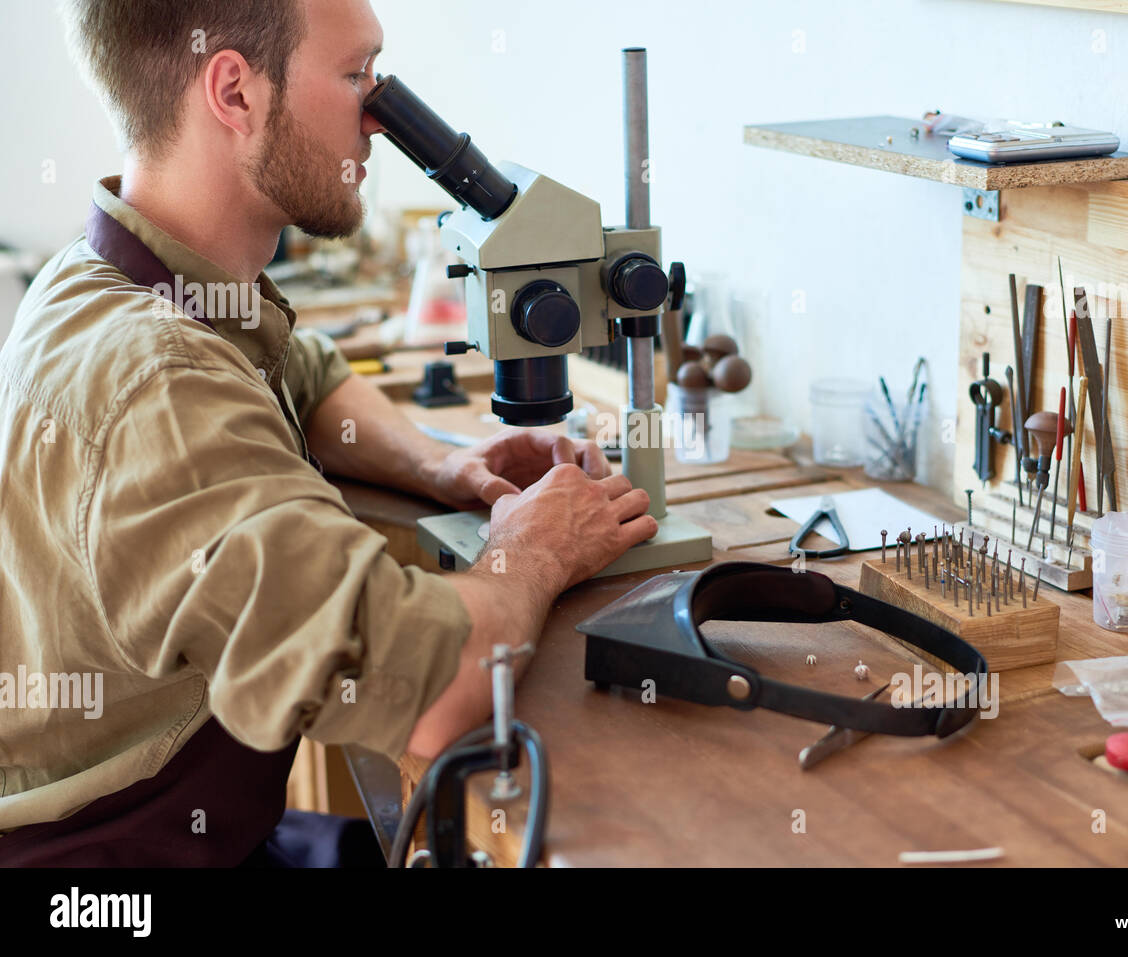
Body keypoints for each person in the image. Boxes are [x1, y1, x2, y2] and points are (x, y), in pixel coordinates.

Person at [0, 0, 656, 866]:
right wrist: (529, 551)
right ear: (234, 92)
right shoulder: (161, 383)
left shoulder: (107, 272)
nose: (379, 116)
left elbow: (303, 375)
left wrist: (445, 463)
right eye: (355, 75)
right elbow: (436, 692)